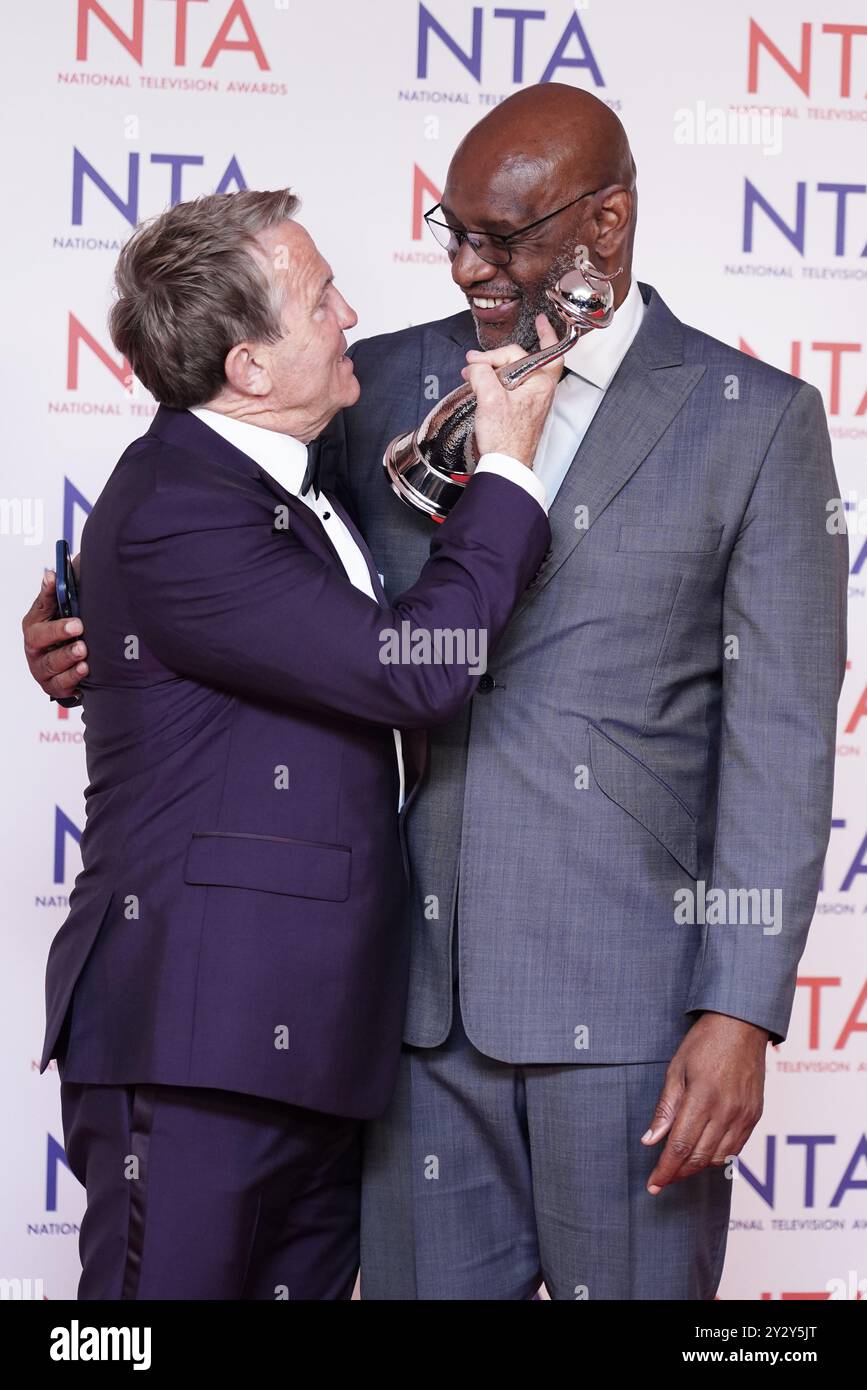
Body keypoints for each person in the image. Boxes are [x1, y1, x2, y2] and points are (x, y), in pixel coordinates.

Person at [26, 86, 848, 1300]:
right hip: (399, 1026)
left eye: (498, 238)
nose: (466, 266)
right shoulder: (370, 383)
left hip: (631, 1022)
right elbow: (221, 522)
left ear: (606, 225)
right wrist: (85, 623)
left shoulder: (756, 425)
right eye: (448, 229)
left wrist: (744, 1012)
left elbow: (780, 742)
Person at [20, 186, 558, 1299]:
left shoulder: (283, 476)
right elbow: (415, 667)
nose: (351, 312)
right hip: (195, 1042)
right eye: (321, 301)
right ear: (249, 368)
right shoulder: (181, 503)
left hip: (309, 1042)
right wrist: (506, 468)